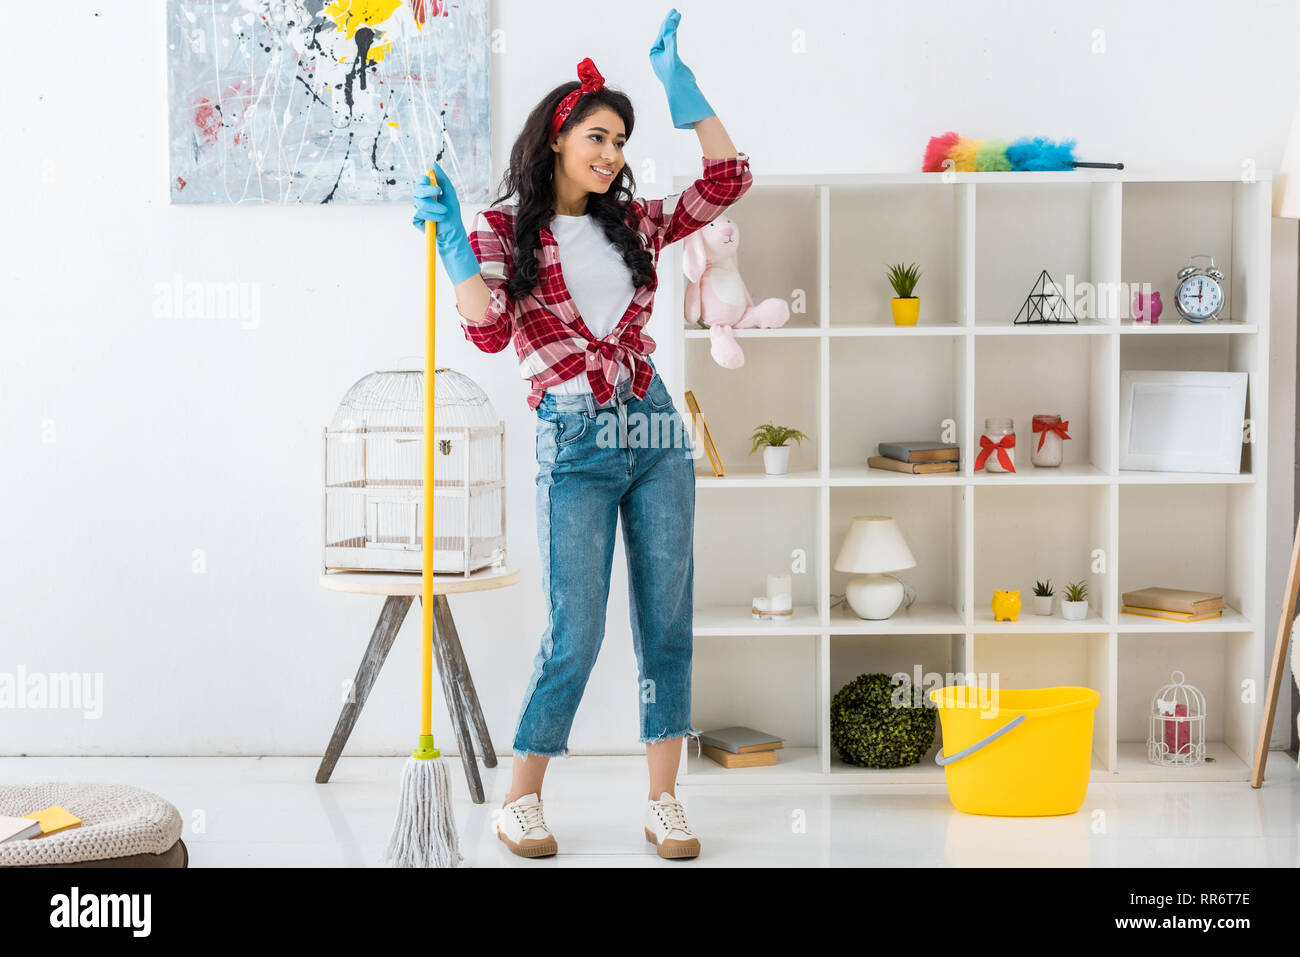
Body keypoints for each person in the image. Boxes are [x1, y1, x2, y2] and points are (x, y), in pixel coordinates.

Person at [411, 8, 750, 861]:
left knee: (666, 624)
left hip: (655, 431)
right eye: (598, 136)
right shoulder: (499, 229)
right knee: (577, 630)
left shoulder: (633, 223)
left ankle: (663, 799)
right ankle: (521, 798)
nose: (612, 154)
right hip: (575, 442)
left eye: (623, 141)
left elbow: (728, 178)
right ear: (558, 138)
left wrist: (688, 93)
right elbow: (489, 334)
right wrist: (455, 250)